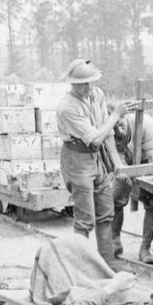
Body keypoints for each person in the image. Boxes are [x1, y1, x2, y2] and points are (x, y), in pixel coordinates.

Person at [56, 58, 138, 269]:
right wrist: (116, 114)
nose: (89, 87)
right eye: (84, 83)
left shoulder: (97, 95)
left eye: (92, 82)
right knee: (85, 218)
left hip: (95, 158)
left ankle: (106, 262)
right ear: (72, 83)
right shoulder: (67, 108)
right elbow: (94, 137)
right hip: (76, 159)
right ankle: (80, 265)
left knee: (105, 211)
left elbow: (106, 131)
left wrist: (117, 163)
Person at [111, 110, 153, 264]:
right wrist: (126, 174)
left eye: (119, 126)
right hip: (130, 160)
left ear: (124, 120)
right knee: (115, 196)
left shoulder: (146, 125)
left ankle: (145, 249)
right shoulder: (109, 131)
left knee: (152, 201)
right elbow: (119, 159)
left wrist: (142, 181)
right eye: (113, 131)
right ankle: (115, 241)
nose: (116, 131)